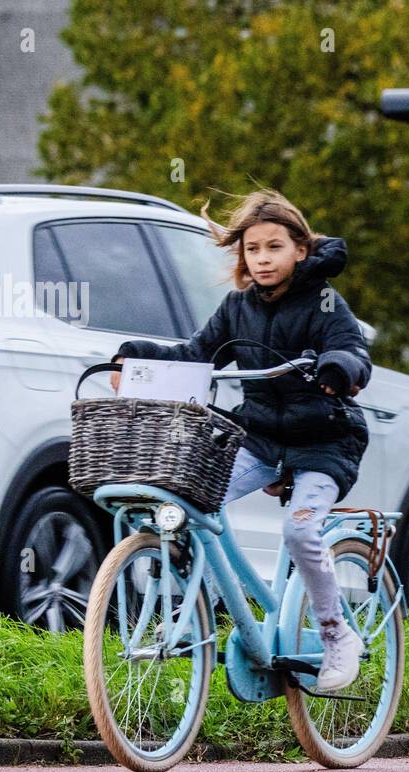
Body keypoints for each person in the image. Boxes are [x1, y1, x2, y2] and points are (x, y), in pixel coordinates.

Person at [111, 188, 371, 692]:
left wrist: (338, 368)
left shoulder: (323, 302)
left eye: (274, 247)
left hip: (324, 443)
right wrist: (135, 354)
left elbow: (352, 350)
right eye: (253, 249)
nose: (263, 259)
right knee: (192, 501)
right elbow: (195, 354)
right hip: (259, 439)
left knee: (300, 533)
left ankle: (337, 635)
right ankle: (196, 610)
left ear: (300, 249)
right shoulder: (236, 308)